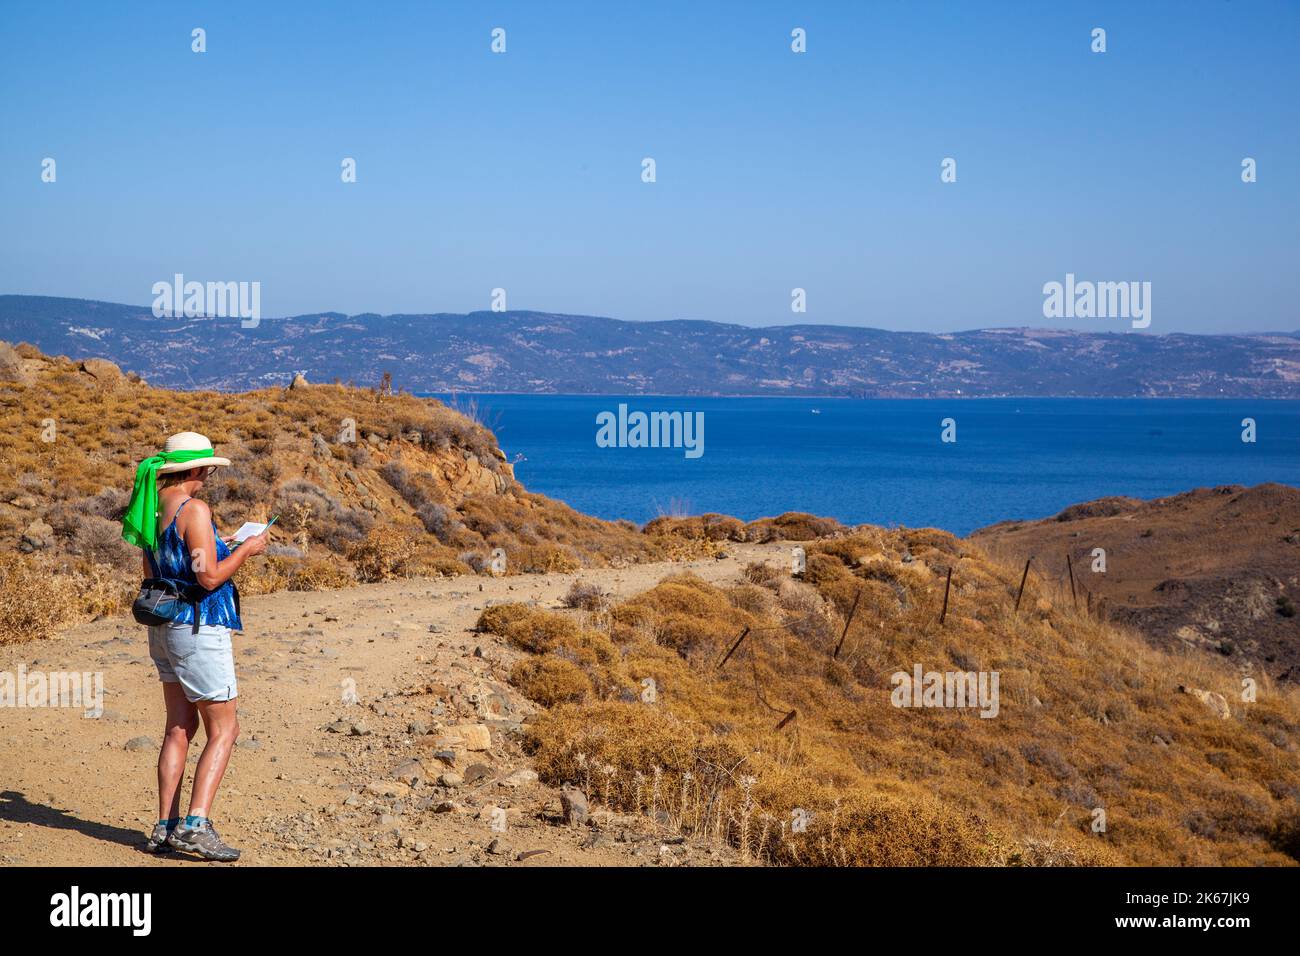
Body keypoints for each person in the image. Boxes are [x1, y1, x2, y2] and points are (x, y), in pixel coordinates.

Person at [121, 431, 270, 861]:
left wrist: (228, 551)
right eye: (208, 469)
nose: (209, 476)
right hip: (198, 628)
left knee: (178, 727)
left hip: (164, 628)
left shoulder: (152, 507)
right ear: (199, 470)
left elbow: (153, 572)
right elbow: (207, 578)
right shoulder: (194, 510)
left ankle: (164, 827)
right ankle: (195, 825)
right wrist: (247, 551)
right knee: (225, 728)